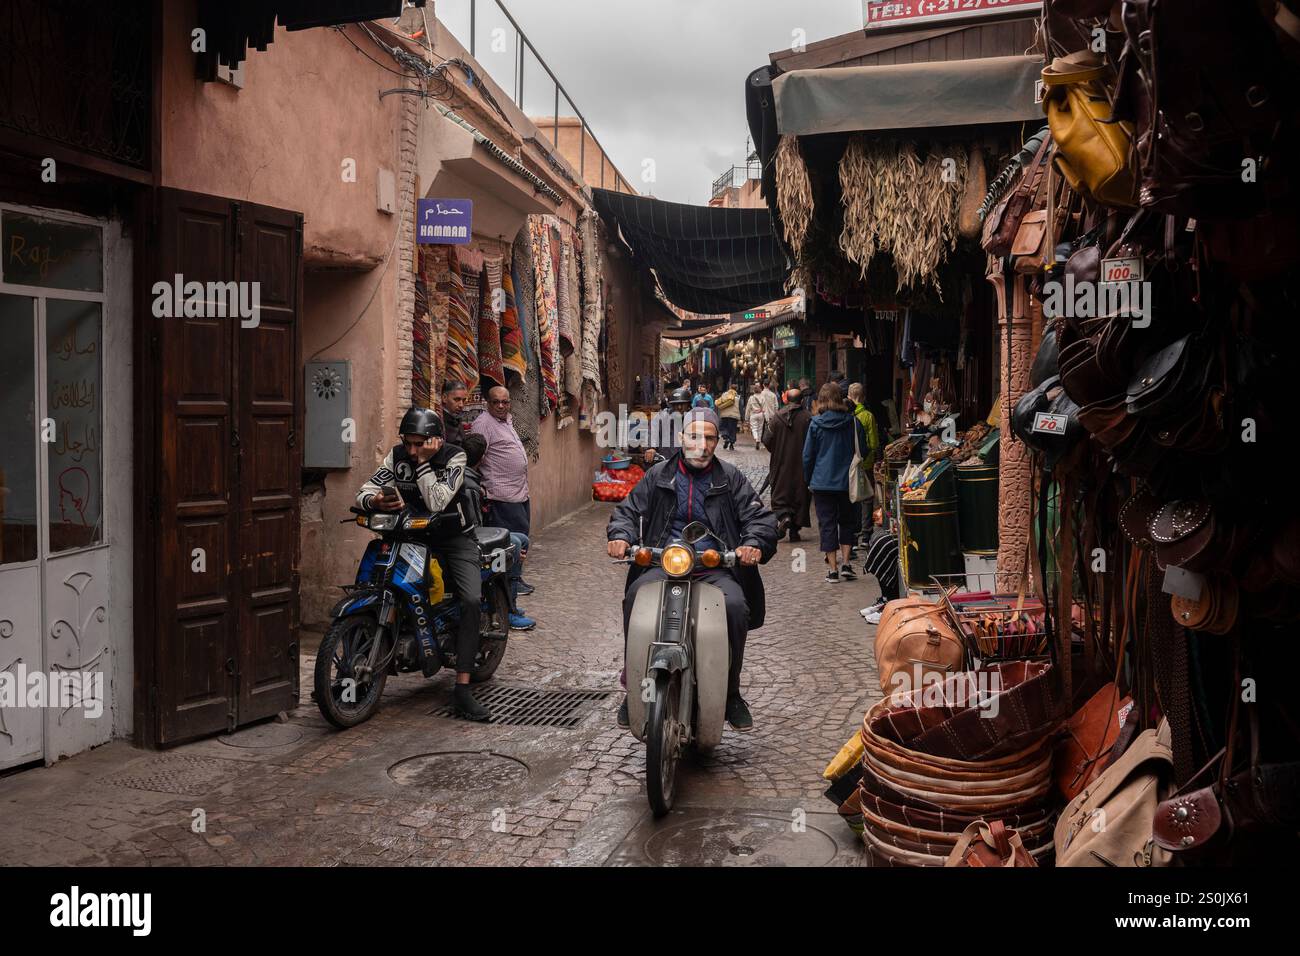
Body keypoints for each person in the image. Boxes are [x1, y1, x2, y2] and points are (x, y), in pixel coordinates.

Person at [607, 409, 778, 731]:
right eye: (695, 437)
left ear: (716, 442)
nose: (702, 445)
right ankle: (633, 687)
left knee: (735, 607)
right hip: (663, 563)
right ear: (682, 438)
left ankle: (731, 692)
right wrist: (620, 536)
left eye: (710, 438)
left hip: (715, 566)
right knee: (634, 599)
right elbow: (627, 511)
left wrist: (752, 543)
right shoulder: (658, 474)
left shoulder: (730, 478)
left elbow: (760, 517)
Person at [356, 407, 490, 721]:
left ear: (436, 440)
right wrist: (375, 501)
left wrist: (424, 465)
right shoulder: (396, 456)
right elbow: (365, 489)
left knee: (470, 599)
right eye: (408, 443)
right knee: (381, 584)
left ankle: (462, 687)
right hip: (410, 535)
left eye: (419, 444)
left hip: (453, 538)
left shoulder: (454, 458)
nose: (412, 450)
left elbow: (437, 501)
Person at [461, 433, 535, 631]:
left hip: (476, 532)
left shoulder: (473, 480)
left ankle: (511, 600)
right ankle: (506, 610)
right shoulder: (469, 485)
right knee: (515, 545)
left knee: (522, 540)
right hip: (471, 541)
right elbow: (473, 527)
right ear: (483, 458)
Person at [469, 385, 535, 600]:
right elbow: (475, 457)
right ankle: (505, 588)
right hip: (500, 496)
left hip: (518, 493)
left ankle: (515, 580)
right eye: (495, 402)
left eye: (505, 402)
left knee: (521, 540)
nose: (500, 406)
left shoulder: (507, 420)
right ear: (488, 403)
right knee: (508, 545)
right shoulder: (483, 424)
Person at [803, 383, 868, 583]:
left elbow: (807, 456)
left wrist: (809, 479)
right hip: (847, 481)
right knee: (847, 522)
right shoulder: (853, 423)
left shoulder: (815, 424)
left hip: (822, 482)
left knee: (827, 525)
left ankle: (833, 570)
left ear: (821, 400)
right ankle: (847, 563)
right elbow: (863, 451)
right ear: (840, 399)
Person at [762, 387, 812, 542]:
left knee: (780, 491)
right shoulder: (808, 418)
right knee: (800, 494)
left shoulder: (776, 418)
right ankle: (795, 530)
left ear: (786, 400)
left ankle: (784, 516)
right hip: (801, 464)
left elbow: (766, 440)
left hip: (780, 463)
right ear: (801, 400)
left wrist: (777, 450)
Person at [846, 382, 881, 546]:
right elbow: (873, 443)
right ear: (863, 396)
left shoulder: (847, 415)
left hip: (850, 463)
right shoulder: (868, 416)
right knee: (867, 497)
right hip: (865, 463)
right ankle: (866, 534)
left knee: (852, 496)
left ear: (849, 397)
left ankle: (853, 533)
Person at [644, 387, 693, 464]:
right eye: (676, 404)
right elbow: (653, 430)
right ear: (671, 405)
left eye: (682, 404)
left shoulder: (693, 418)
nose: (679, 407)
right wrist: (652, 447)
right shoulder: (663, 416)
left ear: (688, 405)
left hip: (687, 461)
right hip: (665, 460)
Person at [441, 380, 469, 447]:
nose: (461, 405)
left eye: (464, 400)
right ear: (444, 398)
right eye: (457, 399)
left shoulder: (456, 418)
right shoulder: (440, 419)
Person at [716, 382, 741, 450]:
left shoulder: (725, 394)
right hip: (734, 416)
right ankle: (731, 444)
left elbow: (720, 402)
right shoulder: (738, 397)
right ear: (736, 389)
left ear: (730, 388)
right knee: (732, 430)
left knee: (723, 427)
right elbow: (740, 407)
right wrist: (741, 417)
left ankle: (726, 438)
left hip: (725, 415)